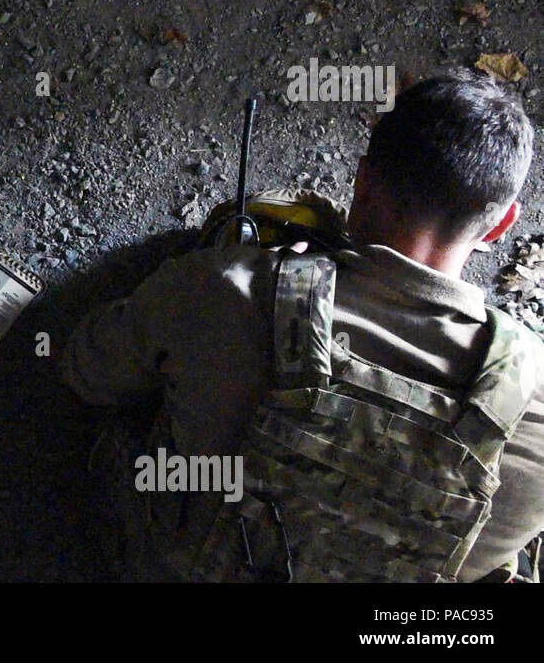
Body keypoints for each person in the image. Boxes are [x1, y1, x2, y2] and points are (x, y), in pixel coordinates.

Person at [63, 72, 544, 582]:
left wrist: (246, 277)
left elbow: (86, 370)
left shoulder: (225, 288)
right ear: (501, 224)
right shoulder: (534, 398)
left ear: (362, 179)